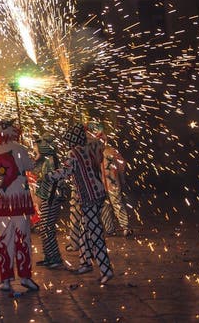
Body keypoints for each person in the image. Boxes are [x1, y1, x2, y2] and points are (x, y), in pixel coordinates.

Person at [0, 119, 39, 293]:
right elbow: (31, 166)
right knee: (22, 239)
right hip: (19, 201)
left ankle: (6, 280)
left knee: (3, 240)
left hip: (0, 203)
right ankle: (25, 277)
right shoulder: (20, 149)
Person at [46, 123, 113, 284]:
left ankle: (106, 270)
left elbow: (66, 171)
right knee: (85, 229)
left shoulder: (74, 153)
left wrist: (49, 176)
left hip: (89, 197)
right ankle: (85, 263)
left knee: (95, 233)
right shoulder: (90, 149)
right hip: (98, 194)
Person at [88, 121, 131, 236]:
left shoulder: (111, 151)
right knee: (105, 207)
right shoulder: (94, 154)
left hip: (112, 184)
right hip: (101, 185)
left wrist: (119, 176)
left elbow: (122, 165)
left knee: (117, 204)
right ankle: (109, 229)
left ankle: (125, 227)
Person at [34, 134, 65, 269]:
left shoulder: (53, 160)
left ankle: (55, 258)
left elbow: (55, 179)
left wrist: (43, 178)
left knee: (47, 227)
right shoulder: (47, 160)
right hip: (48, 198)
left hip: (52, 198)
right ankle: (49, 257)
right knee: (44, 227)